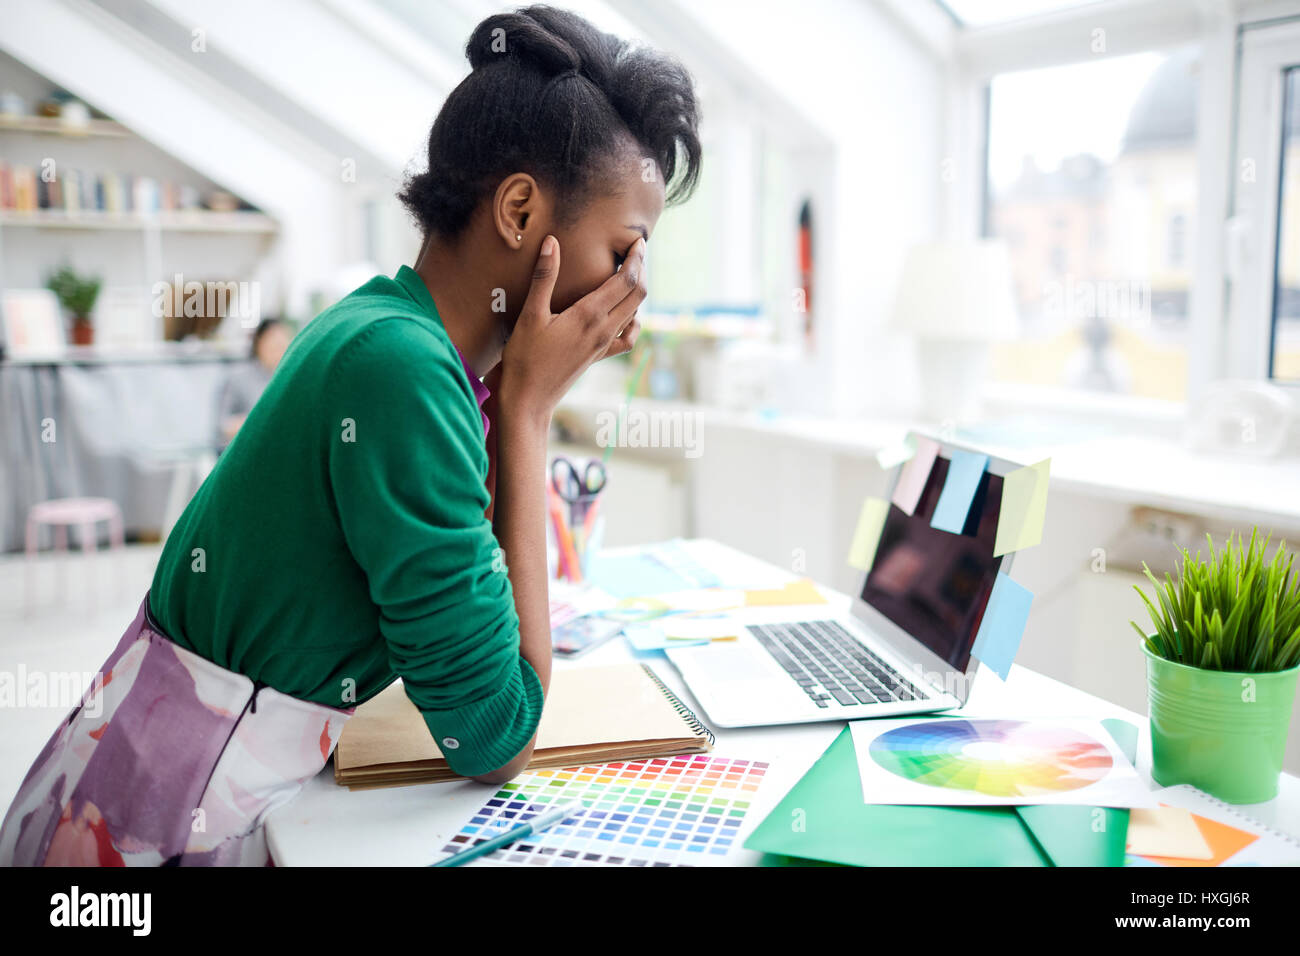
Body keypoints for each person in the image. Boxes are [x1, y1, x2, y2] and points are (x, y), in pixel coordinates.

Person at [0, 4, 700, 866]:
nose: (633, 286)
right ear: (520, 210)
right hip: (157, 827)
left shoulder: (385, 325)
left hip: (145, 778)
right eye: (625, 250)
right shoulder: (400, 370)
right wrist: (529, 411)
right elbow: (497, 735)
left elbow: (462, 616)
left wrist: (513, 392)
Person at [215, 318, 292, 450]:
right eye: (274, 345)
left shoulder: (289, 379)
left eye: (283, 345)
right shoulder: (238, 378)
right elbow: (222, 425)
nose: (279, 351)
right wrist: (252, 423)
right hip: (247, 453)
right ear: (259, 343)